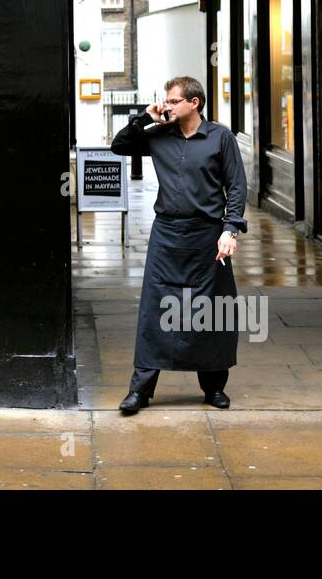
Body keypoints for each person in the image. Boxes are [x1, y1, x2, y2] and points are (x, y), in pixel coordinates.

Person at [109, 75, 248, 415]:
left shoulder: (220, 138)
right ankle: (140, 391)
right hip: (167, 235)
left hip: (207, 236)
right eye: (166, 101)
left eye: (173, 101)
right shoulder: (159, 135)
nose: (167, 106)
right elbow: (119, 145)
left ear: (194, 102)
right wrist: (146, 117)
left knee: (210, 310)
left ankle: (213, 387)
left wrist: (230, 230)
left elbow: (237, 186)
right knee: (155, 309)